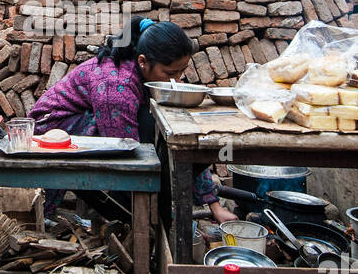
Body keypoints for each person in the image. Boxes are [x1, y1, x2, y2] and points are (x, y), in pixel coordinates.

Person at [28, 17, 237, 224]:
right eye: (171, 73)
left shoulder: (146, 77)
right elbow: (129, 158)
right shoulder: (116, 86)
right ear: (143, 62)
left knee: (159, 129)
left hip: (92, 124)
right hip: (50, 132)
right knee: (147, 135)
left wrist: (214, 205)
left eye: (181, 72)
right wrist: (152, 212)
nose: (177, 81)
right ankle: (136, 218)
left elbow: (181, 142)